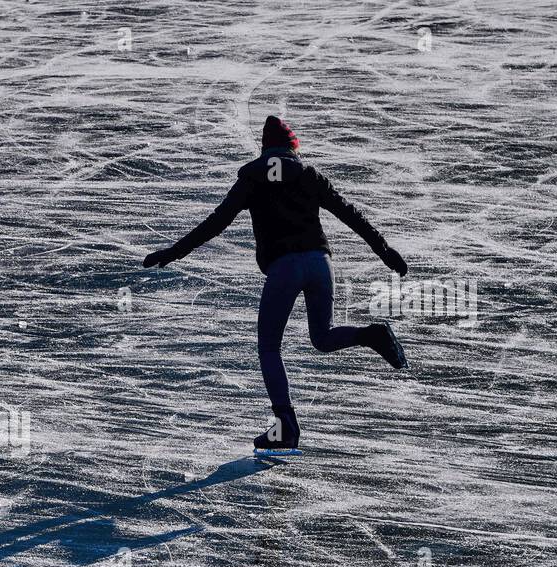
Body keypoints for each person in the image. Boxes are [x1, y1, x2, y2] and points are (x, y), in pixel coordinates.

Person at [142, 115, 410, 453]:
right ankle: (371, 335)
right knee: (323, 337)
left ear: (266, 150)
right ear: (293, 148)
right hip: (319, 263)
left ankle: (285, 426)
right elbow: (350, 214)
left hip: (284, 267)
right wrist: (385, 252)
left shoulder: (253, 179)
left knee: (270, 348)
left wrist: (174, 252)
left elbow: (216, 222)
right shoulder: (308, 175)